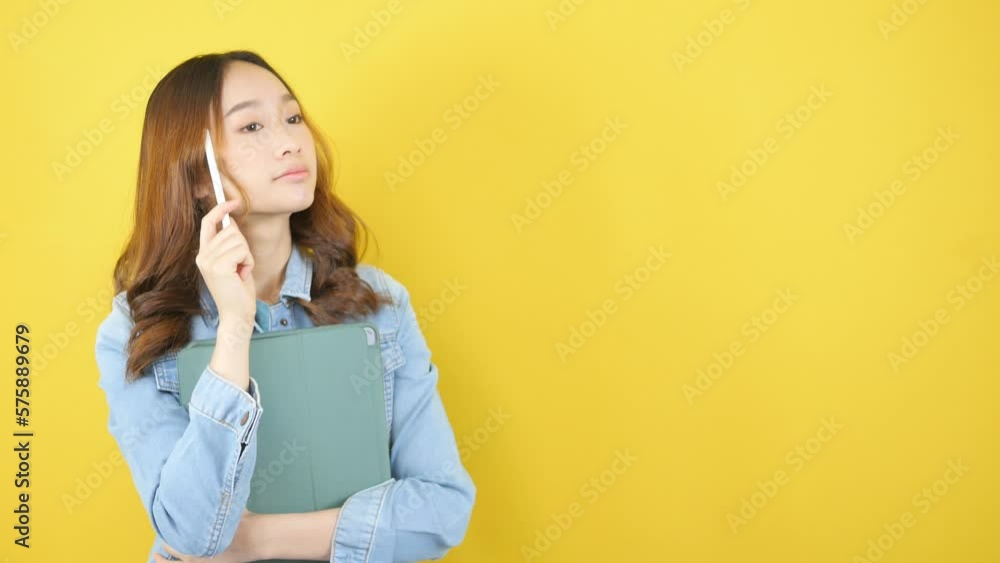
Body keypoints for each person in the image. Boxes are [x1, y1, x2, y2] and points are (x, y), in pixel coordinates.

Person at [94, 50, 475, 563]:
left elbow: (444, 507)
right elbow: (190, 533)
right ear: (198, 175)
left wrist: (257, 541)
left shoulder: (380, 304)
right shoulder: (134, 329)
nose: (291, 140)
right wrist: (233, 327)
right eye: (251, 126)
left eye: (293, 118)